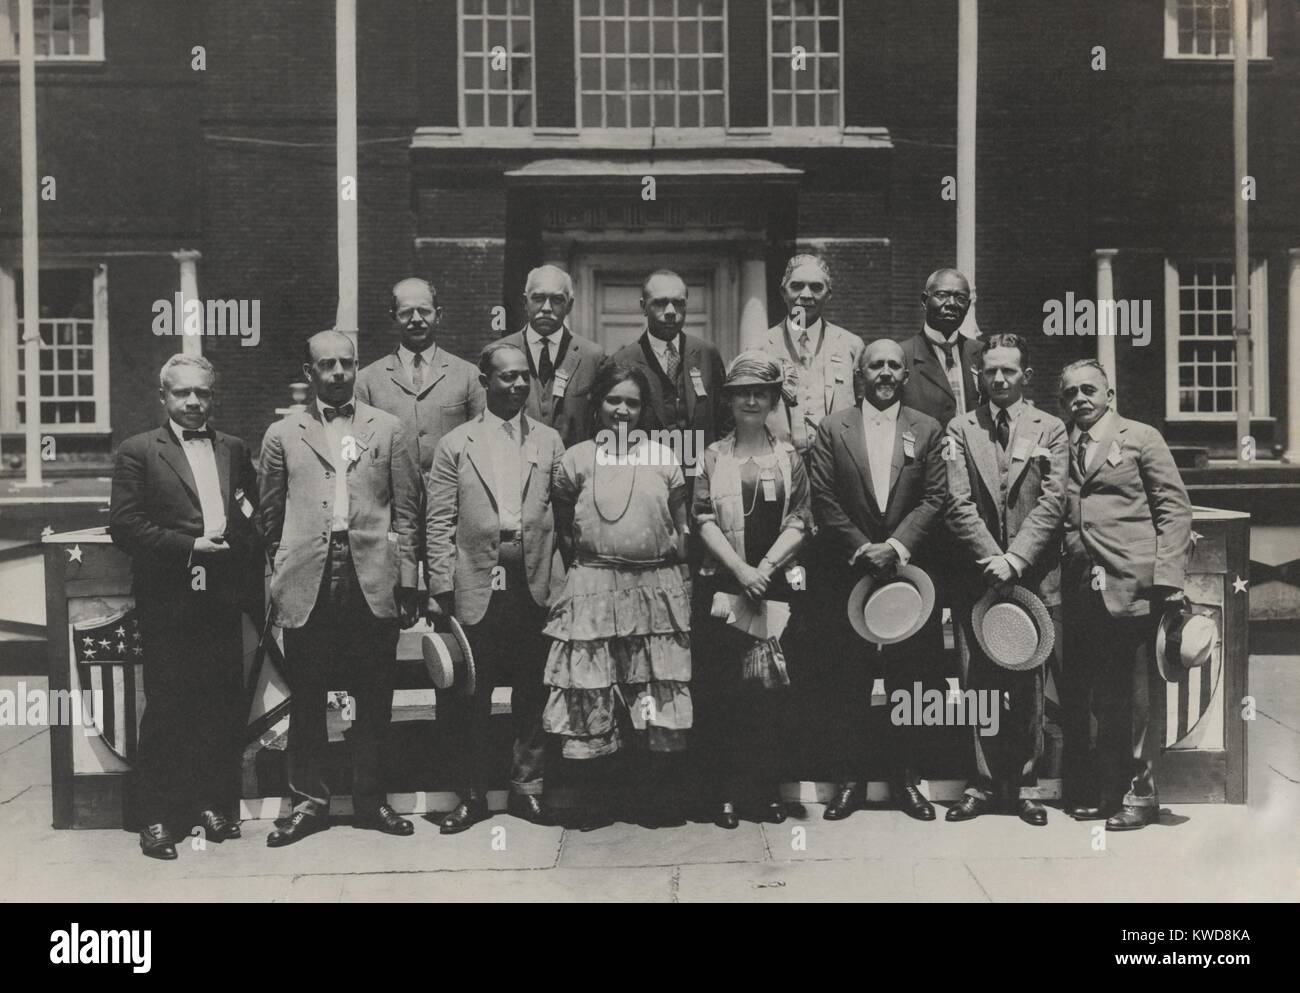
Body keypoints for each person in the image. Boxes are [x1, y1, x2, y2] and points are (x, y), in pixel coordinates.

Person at [259, 330, 422, 847]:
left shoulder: (389, 429)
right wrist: (282, 572)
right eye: (325, 365)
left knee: (373, 695)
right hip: (309, 577)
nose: (336, 373)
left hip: (371, 574)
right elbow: (269, 515)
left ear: (356, 368)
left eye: (346, 364)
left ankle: (372, 801)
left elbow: (408, 512)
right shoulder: (282, 434)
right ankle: (309, 804)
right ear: (309, 373)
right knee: (308, 698)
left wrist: (409, 579)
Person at [109, 354, 262, 860]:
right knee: (169, 706)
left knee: (219, 705)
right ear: (164, 398)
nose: (194, 402)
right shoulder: (138, 451)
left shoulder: (235, 449)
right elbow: (126, 526)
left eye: (203, 393)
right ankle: (156, 817)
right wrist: (191, 547)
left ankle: (212, 806)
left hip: (221, 598)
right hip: (168, 599)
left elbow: (250, 511)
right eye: (182, 393)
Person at [542, 360, 693, 827]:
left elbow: (681, 526)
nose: (622, 411)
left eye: (632, 402)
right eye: (614, 401)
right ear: (598, 405)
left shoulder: (665, 458)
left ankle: (649, 796)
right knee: (594, 686)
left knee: (650, 686)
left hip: (655, 586)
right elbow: (565, 529)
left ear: (644, 408)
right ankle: (597, 798)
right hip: (593, 585)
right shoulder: (575, 458)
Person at [425, 342, 566, 833]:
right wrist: (441, 587)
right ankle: (472, 795)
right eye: (507, 377)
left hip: (534, 584)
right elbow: (439, 521)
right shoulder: (456, 444)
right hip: (476, 584)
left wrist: (564, 583)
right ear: (484, 382)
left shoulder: (549, 441)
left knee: (533, 691)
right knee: (471, 697)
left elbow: (563, 518)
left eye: (525, 376)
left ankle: (527, 791)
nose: (518, 385)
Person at [807, 338, 947, 822]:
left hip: (910, 577)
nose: (885, 372)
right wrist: (862, 548)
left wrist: (897, 548)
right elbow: (822, 496)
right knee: (849, 680)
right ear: (859, 375)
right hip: (848, 574)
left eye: (894, 365)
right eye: (875, 365)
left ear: (906, 375)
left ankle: (906, 780)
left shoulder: (927, 429)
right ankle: (851, 781)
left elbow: (935, 498)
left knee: (910, 681)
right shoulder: (832, 428)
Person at [1058, 359, 1192, 831]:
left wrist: (1169, 579)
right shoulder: (1064, 444)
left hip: (1136, 589)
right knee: (1104, 700)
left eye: (1089, 389)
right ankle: (1110, 791)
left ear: (1109, 395)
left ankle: (1143, 793)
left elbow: (1174, 510)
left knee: (1137, 700)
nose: (1080, 399)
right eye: (1071, 392)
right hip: (1083, 592)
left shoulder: (1141, 437)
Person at [943, 334, 1068, 826]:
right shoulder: (959, 428)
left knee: (1029, 682)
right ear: (978, 376)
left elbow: (1053, 501)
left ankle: (1025, 786)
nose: (998, 379)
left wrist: (1015, 559)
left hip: (1030, 577)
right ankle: (980, 783)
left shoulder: (1051, 428)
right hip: (978, 578)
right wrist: (991, 559)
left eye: (1009, 371)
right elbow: (957, 503)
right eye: (990, 371)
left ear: (1025, 376)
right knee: (977, 679)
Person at [693, 352, 811, 829]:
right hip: (724, 587)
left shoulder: (789, 456)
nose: (750, 400)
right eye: (741, 392)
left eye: (760, 392)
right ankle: (725, 794)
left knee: (769, 694)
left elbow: (802, 520)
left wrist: (763, 568)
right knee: (723, 693)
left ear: (772, 399)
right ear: (729, 400)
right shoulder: (713, 456)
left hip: (775, 588)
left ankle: (766, 791)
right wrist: (741, 570)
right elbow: (701, 518)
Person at [354, 277, 484, 571]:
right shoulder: (368, 381)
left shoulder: (468, 376)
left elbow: (482, 449)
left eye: (424, 311)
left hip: (454, 513)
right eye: (406, 312)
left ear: (439, 314)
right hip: (391, 514)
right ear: (393, 317)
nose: (416, 319)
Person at [612, 269, 725, 468]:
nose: (671, 311)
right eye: (661, 302)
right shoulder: (623, 361)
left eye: (679, 303)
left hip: (701, 478)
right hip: (646, 477)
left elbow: (726, 418)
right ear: (643, 307)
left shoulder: (707, 354)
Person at [758, 254, 863, 460]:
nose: (806, 295)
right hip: (779, 463)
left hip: (837, 465)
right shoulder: (760, 347)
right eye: (797, 286)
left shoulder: (851, 346)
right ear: (783, 291)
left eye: (816, 287)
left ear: (829, 294)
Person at [490, 264, 605, 450]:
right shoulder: (497, 353)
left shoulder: (592, 356)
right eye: (538, 298)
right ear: (525, 302)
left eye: (557, 299)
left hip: (571, 471)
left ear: (570, 305)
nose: (546, 308)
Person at [898, 269, 982, 428]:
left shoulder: (982, 354)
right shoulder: (901, 356)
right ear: (924, 301)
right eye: (942, 295)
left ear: (968, 305)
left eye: (961, 298)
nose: (951, 303)